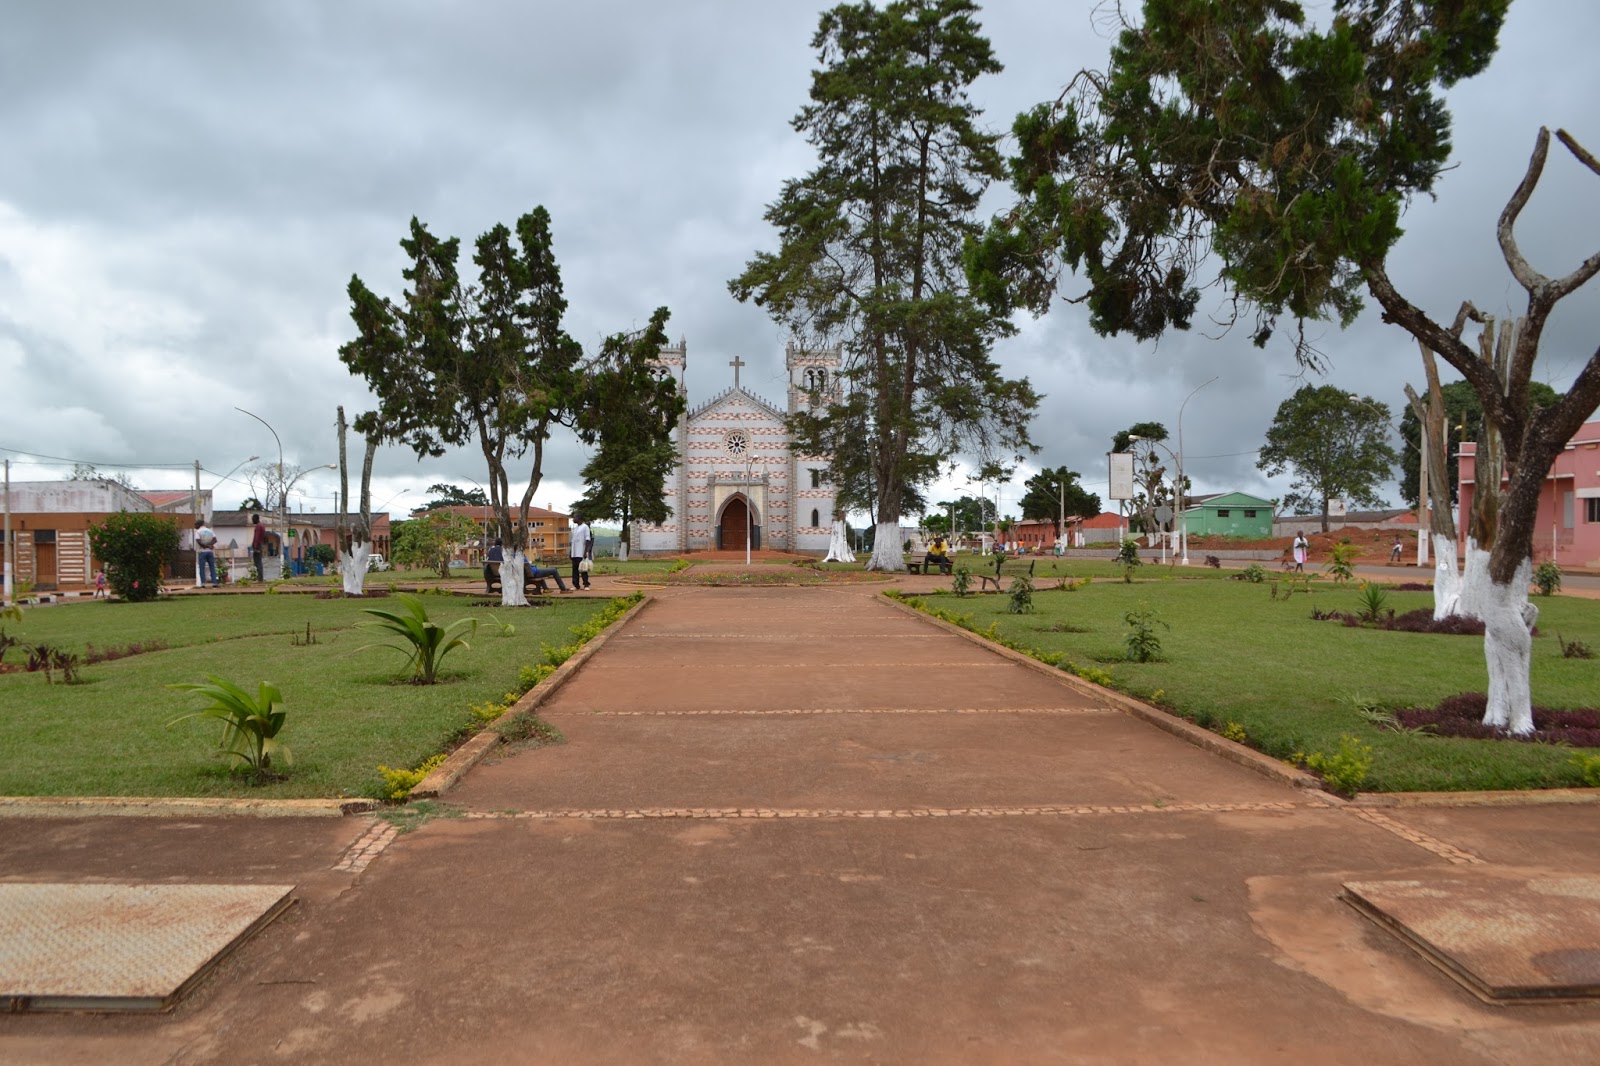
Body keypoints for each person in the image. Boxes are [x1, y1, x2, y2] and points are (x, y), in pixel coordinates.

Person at [569, 513, 593, 590]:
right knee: (575, 570)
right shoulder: (575, 528)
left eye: (575, 517)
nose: (573, 519)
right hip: (574, 552)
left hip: (581, 552)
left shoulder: (585, 527)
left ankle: (586, 584)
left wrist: (585, 551)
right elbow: (573, 541)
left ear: (579, 518)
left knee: (583, 569)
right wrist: (571, 552)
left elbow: (587, 540)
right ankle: (576, 585)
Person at [195, 519, 220, 588]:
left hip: (202, 552)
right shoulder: (210, 531)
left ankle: (203, 583)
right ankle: (214, 582)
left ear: (198, 525)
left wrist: (206, 546)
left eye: (195, 525)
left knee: (202, 568)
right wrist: (210, 545)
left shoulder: (198, 531)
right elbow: (215, 540)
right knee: (212, 567)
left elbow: (198, 541)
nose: (195, 526)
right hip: (210, 552)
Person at [249, 513, 266, 581]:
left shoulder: (258, 526)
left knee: (257, 562)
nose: (252, 520)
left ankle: (260, 578)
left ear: (256, 519)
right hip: (259, 545)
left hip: (257, 546)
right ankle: (260, 577)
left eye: (253, 519)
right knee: (258, 561)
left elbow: (257, 537)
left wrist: (255, 547)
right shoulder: (262, 526)